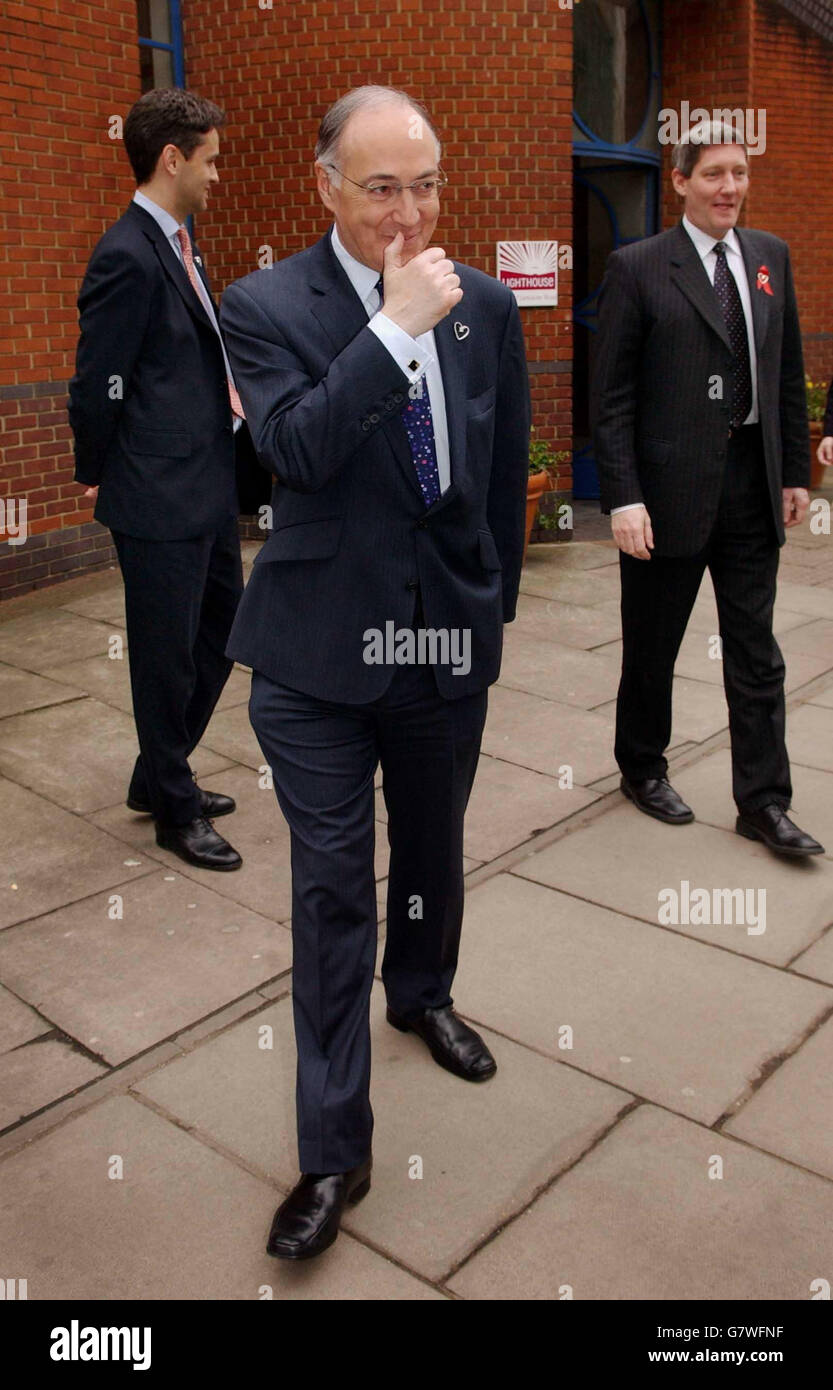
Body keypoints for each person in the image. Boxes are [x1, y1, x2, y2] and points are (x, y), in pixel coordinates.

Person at [220, 85, 530, 1259]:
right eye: (380, 187)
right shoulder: (262, 304)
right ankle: (333, 1152)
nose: (408, 212)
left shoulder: (486, 306)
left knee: (435, 847)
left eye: (427, 185)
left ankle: (424, 992)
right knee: (333, 886)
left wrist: (488, 611)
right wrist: (391, 327)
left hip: (442, 642)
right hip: (311, 656)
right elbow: (291, 449)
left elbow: (493, 474)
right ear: (325, 188)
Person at [592, 121, 824, 858]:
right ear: (681, 180)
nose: (730, 188)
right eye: (715, 174)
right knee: (653, 645)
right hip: (665, 498)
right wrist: (622, 497)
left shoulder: (768, 258)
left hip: (751, 489)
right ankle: (641, 766)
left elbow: (783, 374)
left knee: (755, 651)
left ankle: (762, 801)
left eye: (740, 173)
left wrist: (793, 473)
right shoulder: (637, 268)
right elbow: (613, 396)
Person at [69, 88, 268, 871]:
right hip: (157, 493)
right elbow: (97, 381)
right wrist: (98, 472)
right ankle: (174, 808)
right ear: (172, 158)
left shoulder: (180, 244)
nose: (218, 175)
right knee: (164, 654)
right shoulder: (125, 252)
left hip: (208, 483)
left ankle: (160, 771)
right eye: (211, 160)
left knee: (226, 627)